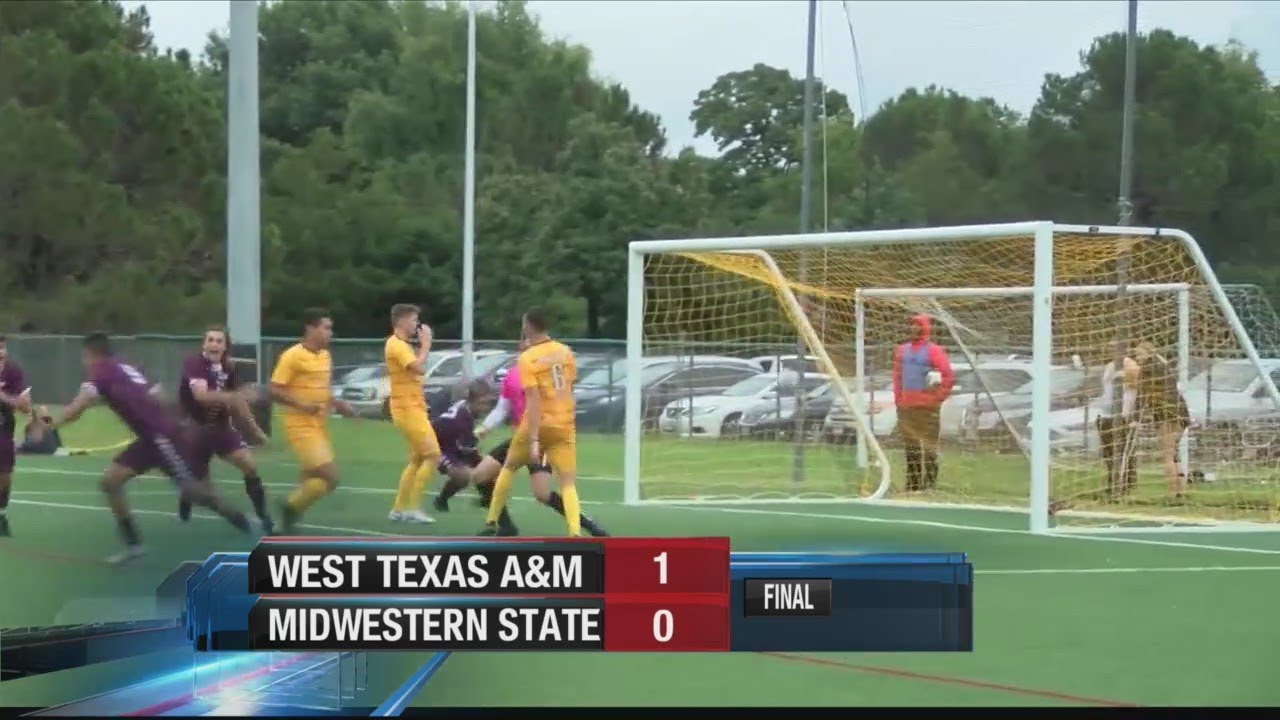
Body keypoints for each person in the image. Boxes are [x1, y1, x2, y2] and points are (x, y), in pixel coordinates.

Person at [34, 334, 251, 563]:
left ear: (90, 354)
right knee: (110, 482)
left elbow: (78, 407)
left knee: (194, 492)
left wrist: (48, 425)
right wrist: (177, 420)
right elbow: (158, 394)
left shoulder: (100, 373)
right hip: (151, 438)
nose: (84, 362)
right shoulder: (127, 366)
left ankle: (237, 518)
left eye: (84, 357)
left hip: (161, 438)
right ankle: (134, 544)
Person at [437, 337, 608, 537]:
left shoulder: (549, 374)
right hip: (520, 439)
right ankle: (503, 525)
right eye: (524, 345)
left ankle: (586, 523)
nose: (527, 349)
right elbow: (502, 408)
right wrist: (484, 428)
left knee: (542, 494)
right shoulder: (513, 375)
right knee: (481, 475)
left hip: (541, 439)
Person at [479, 309, 583, 536]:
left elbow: (534, 399)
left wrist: (535, 438)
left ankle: (492, 520)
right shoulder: (566, 352)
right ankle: (575, 532)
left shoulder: (527, 358)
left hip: (537, 423)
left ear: (528, 327)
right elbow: (570, 386)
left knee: (509, 466)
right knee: (567, 482)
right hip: (564, 423)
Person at [176, 325, 274, 533]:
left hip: (220, 429)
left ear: (225, 346)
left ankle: (264, 516)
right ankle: (194, 499)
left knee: (249, 465)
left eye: (219, 341)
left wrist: (255, 431)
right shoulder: (194, 364)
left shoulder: (228, 368)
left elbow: (240, 401)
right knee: (204, 491)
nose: (214, 344)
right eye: (210, 340)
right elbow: (201, 396)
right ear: (204, 344)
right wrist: (233, 396)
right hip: (195, 431)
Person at [270, 309, 357, 533]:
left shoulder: (325, 356)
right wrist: (302, 406)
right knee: (330, 476)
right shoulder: (292, 356)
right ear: (310, 328)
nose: (330, 333)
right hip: (299, 426)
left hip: (319, 425)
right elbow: (274, 389)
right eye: (326, 327)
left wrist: (338, 404)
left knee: (312, 481)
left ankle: (287, 518)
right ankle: (290, 507)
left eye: (330, 328)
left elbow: (322, 391)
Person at [385, 304, 439, 524]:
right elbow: (417, 367)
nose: (417, 325)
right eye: (414, 320)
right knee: (432, 455)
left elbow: (417, 370)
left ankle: (398, 508)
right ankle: (413, 508)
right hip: (407, 409)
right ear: (402, 321)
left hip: (412, 407)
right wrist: (426, 344)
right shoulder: (395, 344)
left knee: (417, 458)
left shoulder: (403, 345)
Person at [892, 314, 954, 492]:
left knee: (929, 447)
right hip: (906, 408)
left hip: (927, 409)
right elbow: (897, 377)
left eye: (917, 325)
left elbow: (948, 376)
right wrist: (898, 399)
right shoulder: (901, 350)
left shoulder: (934, 351)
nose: (913, 328)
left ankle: (930, 484)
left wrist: (936, 398)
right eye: (911, 325)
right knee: (910, 447)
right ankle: (913, 484)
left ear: (924, 328)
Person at [1133, 340, 1192, 499]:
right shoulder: (1163, 366)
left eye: (1139, 354)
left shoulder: (1147, 368)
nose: (1137, 358)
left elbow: (1142, 394)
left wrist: (1135, 418)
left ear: (1149, 353)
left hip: (1167, 413)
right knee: (1174, 454)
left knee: (1167, 454)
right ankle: (1181, 491)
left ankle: (1172, 493)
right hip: (1181, 411)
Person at [1096, 343, 1141, 497]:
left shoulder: (1131, 365)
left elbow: (1136, 387)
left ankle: (1125, 483)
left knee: (1122, 451)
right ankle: (1112, 481)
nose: (1111, 352)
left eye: (1114, 349)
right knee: (1108, 452)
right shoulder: (1110, 366)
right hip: (1107, 414)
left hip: (1123, 414)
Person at [0, 336, 34, 537]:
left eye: (2, 347)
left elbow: (25, 407)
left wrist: (3, 397)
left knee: (5, 475)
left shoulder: (13, 372)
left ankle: (1, 514)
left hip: (3, 428)